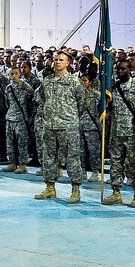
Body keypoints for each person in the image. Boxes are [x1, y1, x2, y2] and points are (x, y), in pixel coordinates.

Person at [35, 50, 84, 204]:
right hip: (50, 125)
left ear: (67, 63)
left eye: (61, 60)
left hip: (68, 126)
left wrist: (70, 117)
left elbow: (82, 103)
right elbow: (42, 99)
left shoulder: (74, 82)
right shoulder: (47, 81)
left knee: (72, 158)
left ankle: (75, 189)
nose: (57, 62)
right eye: (55, 59)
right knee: (48, 157)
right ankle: (50, 187)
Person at [104, 59, 135, 207]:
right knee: (116, 163)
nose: (120, 72)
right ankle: (116, 192)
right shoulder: (113, 88)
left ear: (130, 70)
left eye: (123, 69)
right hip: (116, 132)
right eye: (118, 69)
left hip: (133, 133)